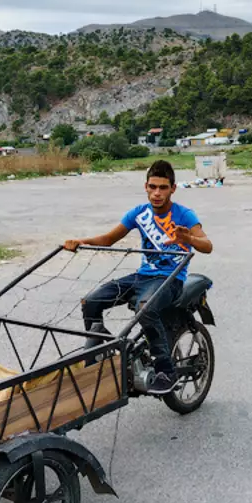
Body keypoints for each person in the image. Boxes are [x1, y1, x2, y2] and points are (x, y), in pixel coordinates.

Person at [62, 159, 213, 395]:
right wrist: (82, 241)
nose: (157, 193)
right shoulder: (139, 213)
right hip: (143, 277)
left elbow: (207, 245)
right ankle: (105, 353)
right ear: (145, 187)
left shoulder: (184, 215)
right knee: (91, 302)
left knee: (145, 308)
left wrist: (189, 239)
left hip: (170, 279)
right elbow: (109, 239)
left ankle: (166, 372)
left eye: (163, 188)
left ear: (173, 189)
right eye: (152, 187)